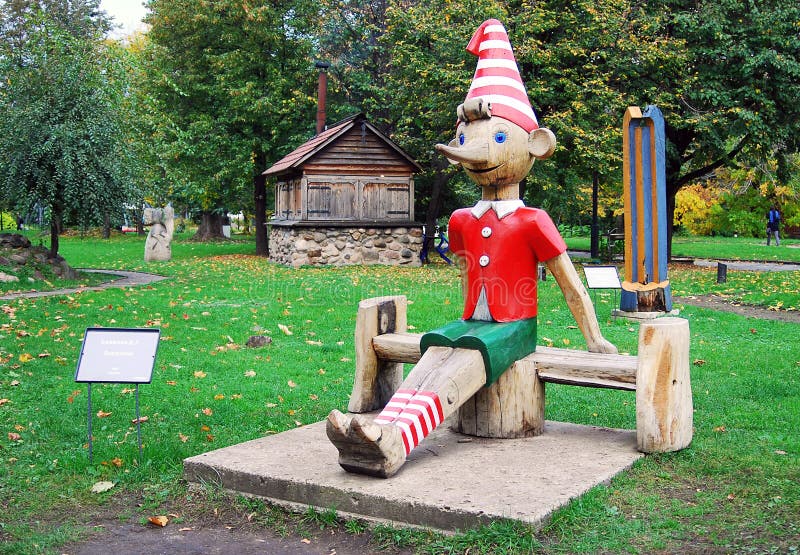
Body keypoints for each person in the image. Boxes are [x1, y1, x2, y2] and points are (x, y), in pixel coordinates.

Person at [326, 19, 616, 477]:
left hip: (513, 327)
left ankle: (394, 443)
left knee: (458, 369)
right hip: (472, 321)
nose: (476, 152)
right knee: (435, 353)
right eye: (466, 140)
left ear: (535, 147)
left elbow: (570, 284)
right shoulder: (463, 220)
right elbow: (469, 269)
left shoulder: (532, 220)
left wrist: (593, 337)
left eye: (499, 138)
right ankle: (377, 428)